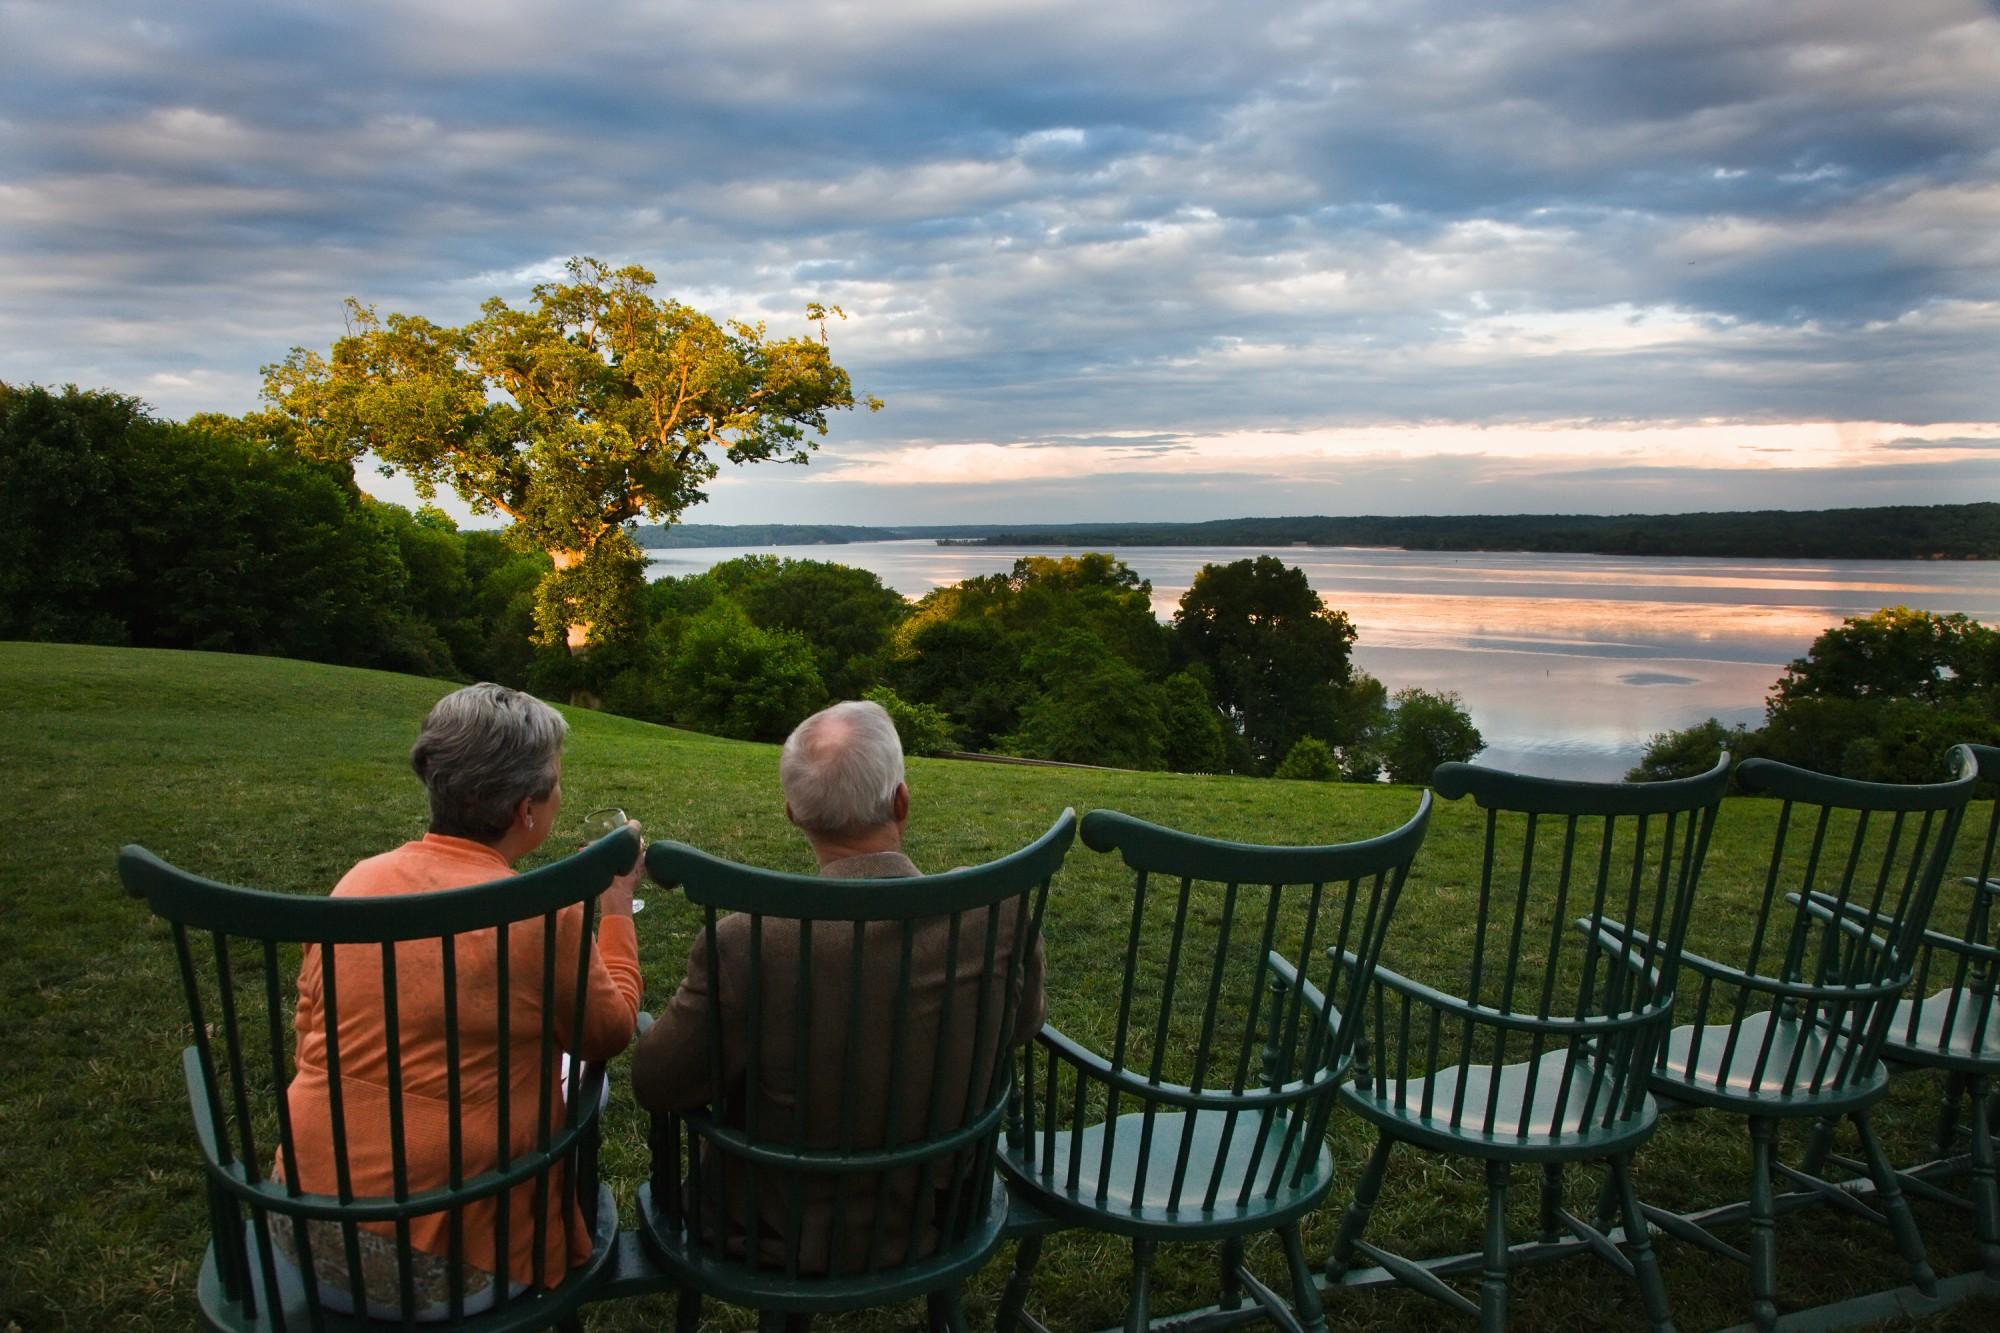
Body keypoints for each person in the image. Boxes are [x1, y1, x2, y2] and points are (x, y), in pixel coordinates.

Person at [631, 699, 1045, 1273]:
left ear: (793, 814)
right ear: (902, 800)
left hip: (770, 1233)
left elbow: (658, 1084)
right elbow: (1021, 1027)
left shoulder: (746, 943)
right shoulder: (997, 908)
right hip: (938, 1215)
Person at [273, 683, 645, 1319]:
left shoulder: (358, 882)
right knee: (585, 1080)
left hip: (302, 1233)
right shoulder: (539, 915)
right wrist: (615, 910)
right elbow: (607, 1034)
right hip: (458, 1265)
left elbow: (310, 1026)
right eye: (556, 783)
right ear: (526, 810)